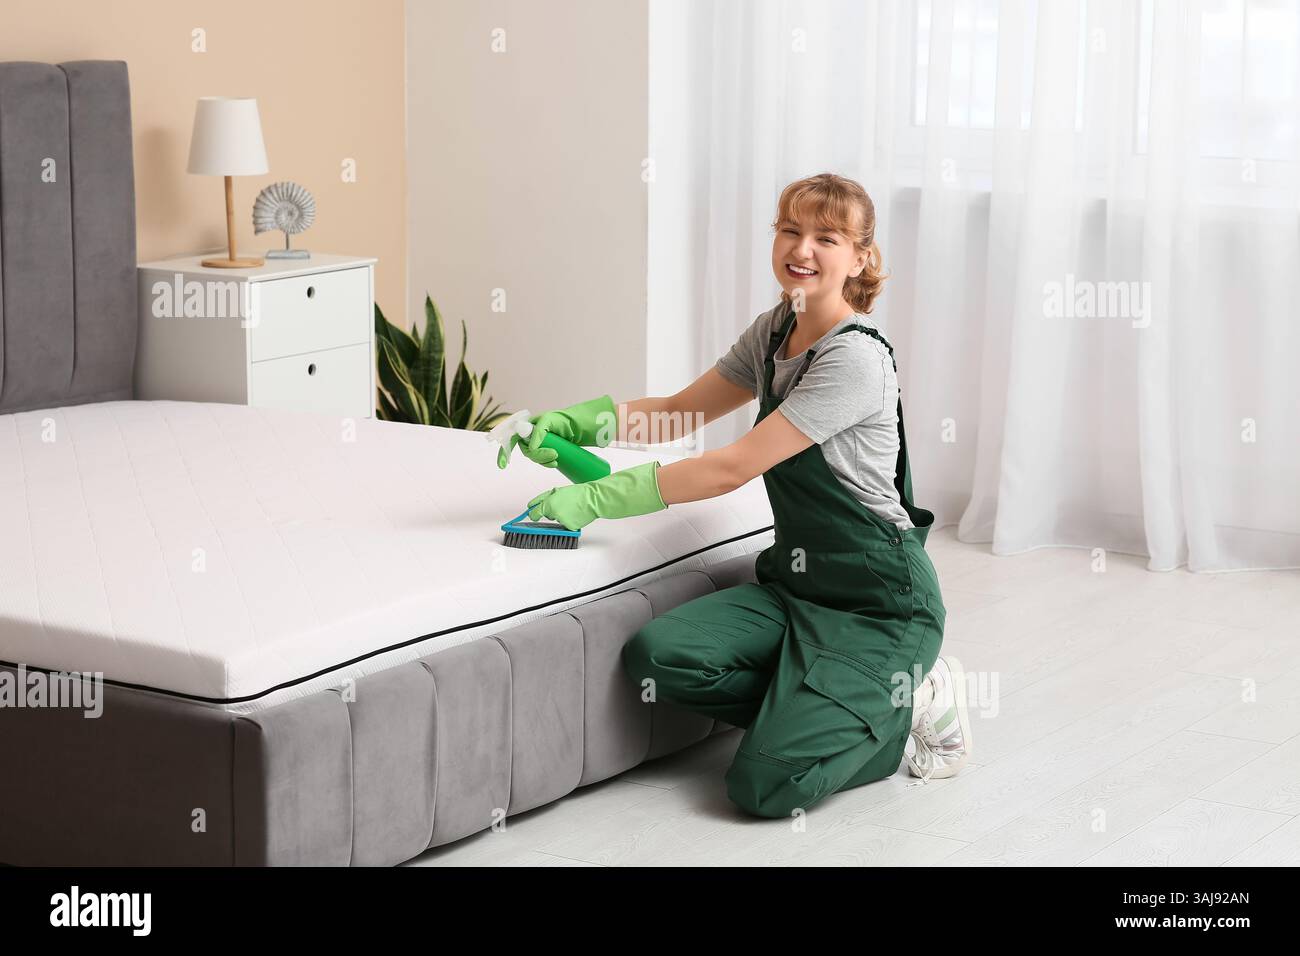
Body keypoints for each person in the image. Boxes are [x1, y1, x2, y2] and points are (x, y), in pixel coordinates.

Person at [498, 172, 971, 817]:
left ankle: (908, 705)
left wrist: (596, 499)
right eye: (790, 230)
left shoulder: (853, 358)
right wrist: (578, 422)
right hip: (795, 588)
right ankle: (815, 703)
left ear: (861, 258)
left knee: (766, 786)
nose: (801, 249)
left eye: (826, 237)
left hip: (878, 606)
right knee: (659, 657)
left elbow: (730, 468)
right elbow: (677, 412)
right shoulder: (777, 329)